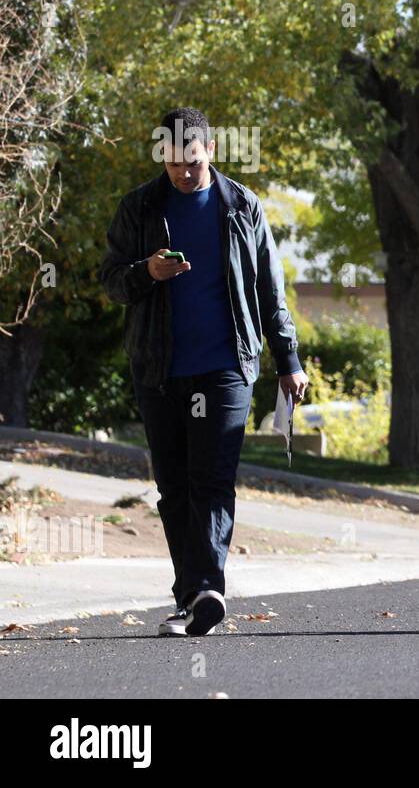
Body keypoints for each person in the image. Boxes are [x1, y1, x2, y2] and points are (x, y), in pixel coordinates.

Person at [100, 107, 308, 637]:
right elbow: (111, 283)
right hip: (160, 370)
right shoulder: (139, 207)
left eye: (191, 163)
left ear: (209, 151)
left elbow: (269, 289)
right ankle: (190, 596)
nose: (183, 173)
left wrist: (288, 361)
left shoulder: (241, 205)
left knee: (211, 479)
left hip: (226, 366)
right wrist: (146, 271)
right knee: (173, 487)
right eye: (172, 164)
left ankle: (207, 587)